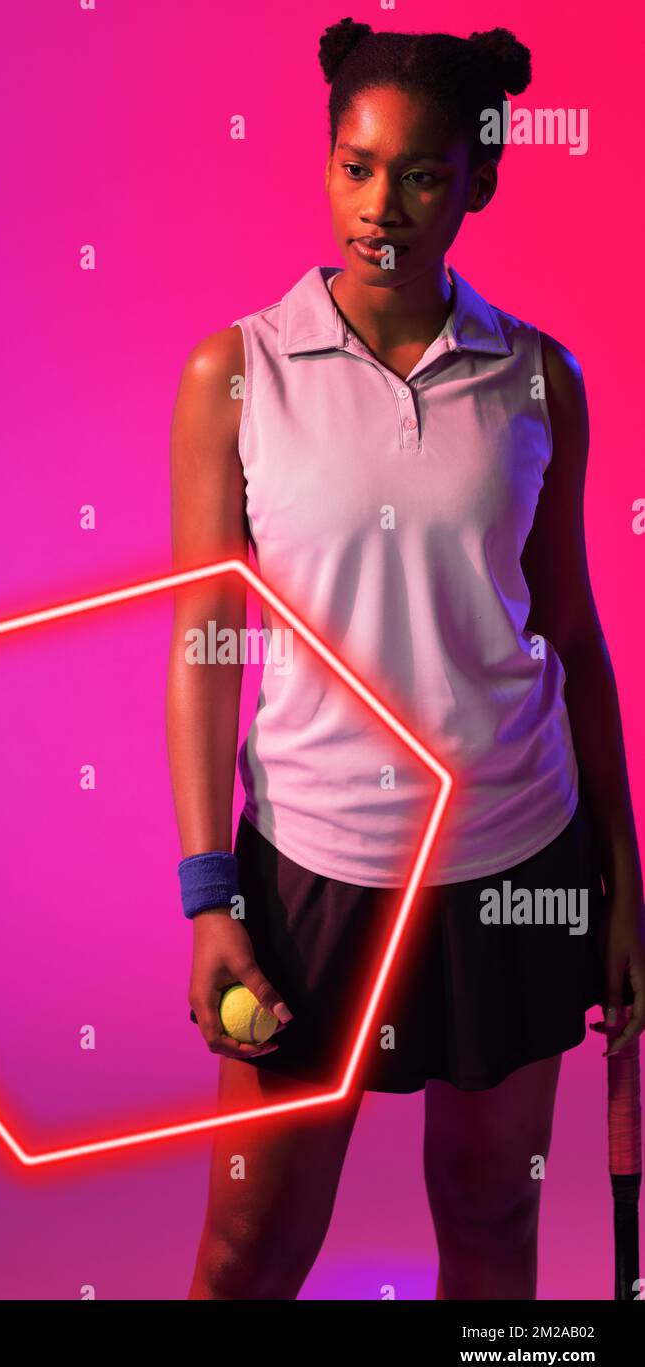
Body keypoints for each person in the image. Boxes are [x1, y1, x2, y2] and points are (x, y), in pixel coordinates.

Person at [165, 18, 645, 1300]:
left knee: (491, 1222)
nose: (382, 205)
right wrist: (209, 896)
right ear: (327, 166)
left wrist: (620, 884)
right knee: (248, 1245)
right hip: (313, 870)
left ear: (480, 177)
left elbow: (573, 633)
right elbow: (205, 650)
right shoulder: (234, 373)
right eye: (356, 166)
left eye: (422, 173)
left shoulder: (541, 378)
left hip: (512, 861)